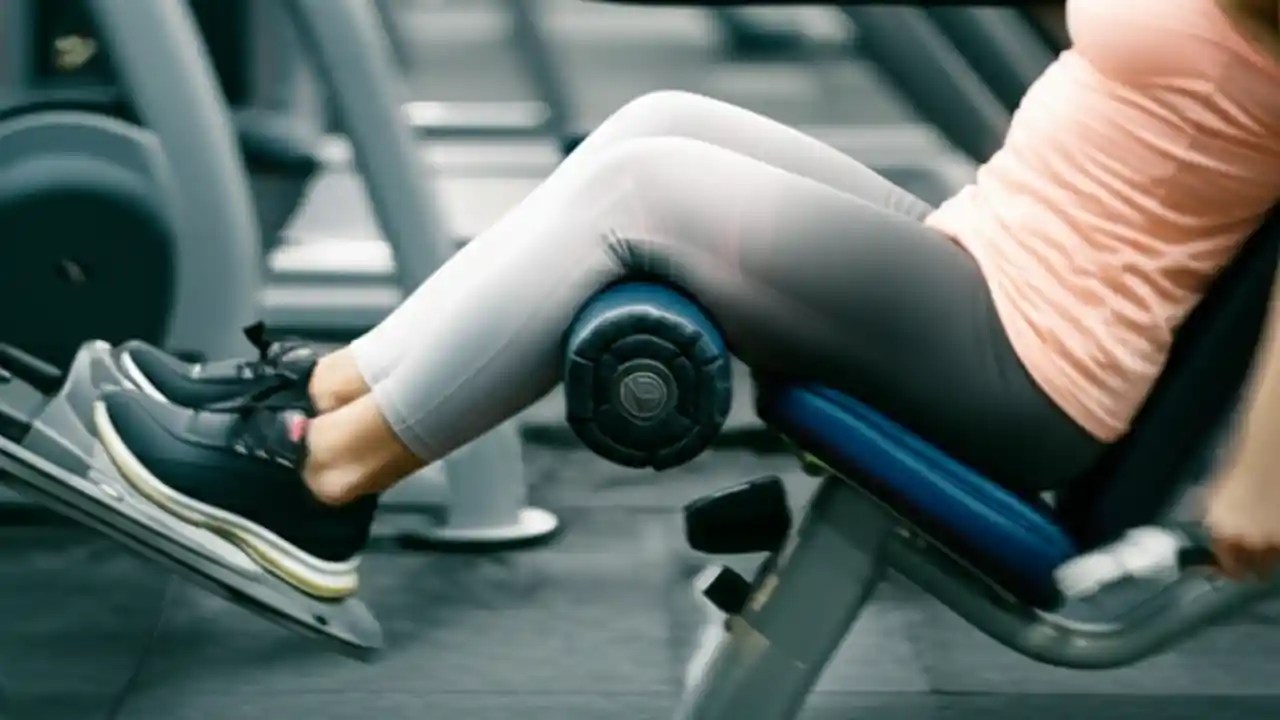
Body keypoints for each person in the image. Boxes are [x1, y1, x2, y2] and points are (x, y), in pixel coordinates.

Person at [92, 0, 1279, 599]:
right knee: (658, 124)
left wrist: (1258, 480)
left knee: (642, 193)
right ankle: (317, 390)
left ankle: (316, 481)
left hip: (1025, 357)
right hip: (976, 253)